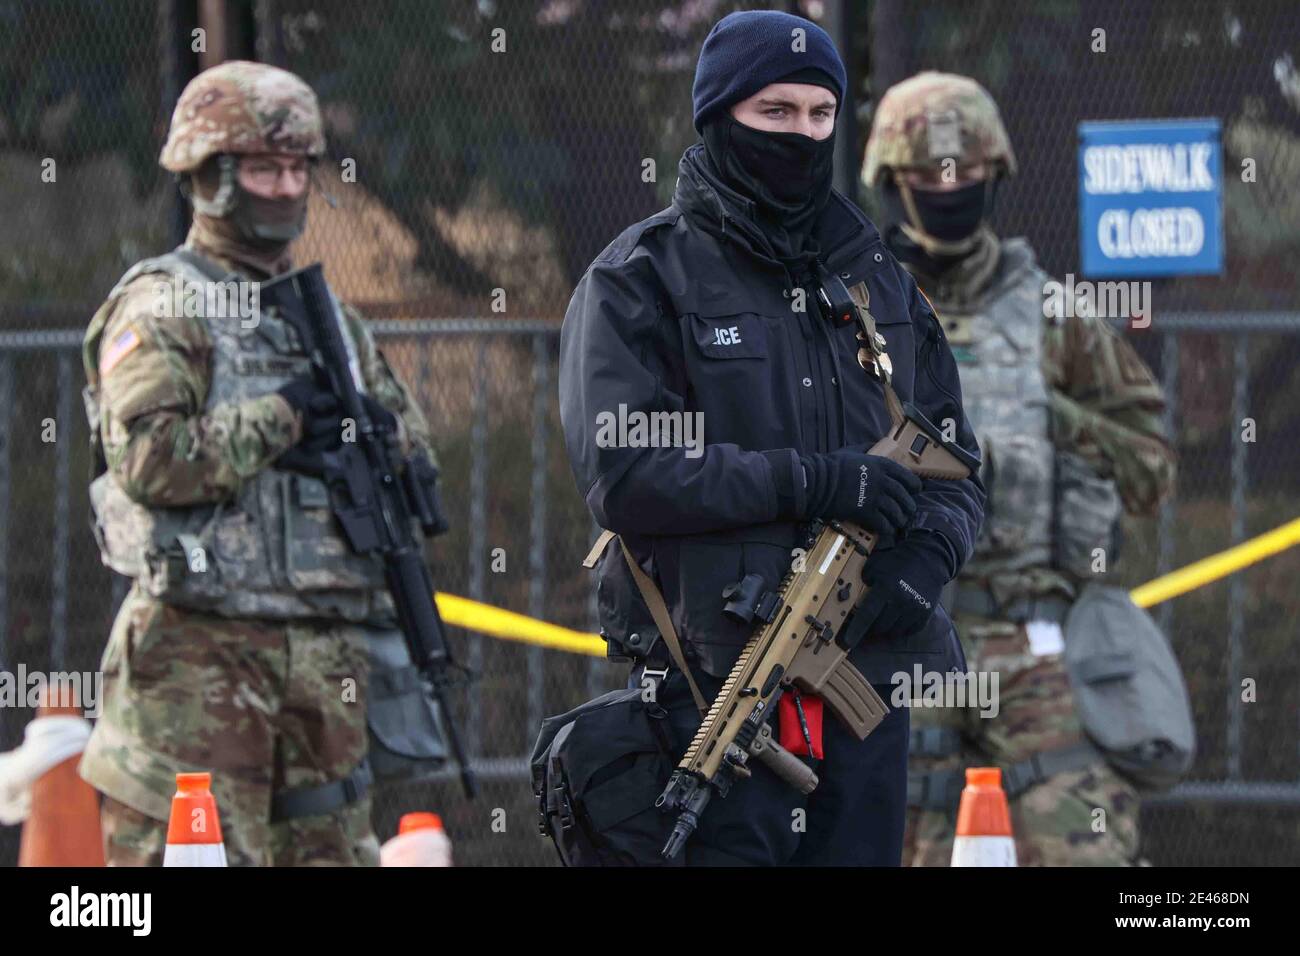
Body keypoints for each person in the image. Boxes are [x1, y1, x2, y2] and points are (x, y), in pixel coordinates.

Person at [559, 12, 984, 865]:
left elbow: (957, 462)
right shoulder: (640, 277)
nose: (802, 135)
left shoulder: (876, 277)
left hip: (865, 680)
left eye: (820, 114)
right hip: (705, 684)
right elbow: (628, 469)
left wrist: (928, 555)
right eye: (775, 113)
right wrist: (813, 482)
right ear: (720, 118)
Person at [79, 60, 443, 866]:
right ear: (209, 175)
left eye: (294, 168)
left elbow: (410, 451)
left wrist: (374, 438)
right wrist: (282, 418)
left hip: (323, 667)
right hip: (196, 663)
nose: (283, 187)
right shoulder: (163, 304)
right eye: (261, 167)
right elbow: (147, 459)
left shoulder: (335, 322)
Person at [862, 71, 1177, 865]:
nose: (948, 188)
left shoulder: (1054, 314)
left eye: (965, 172)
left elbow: (1151, 468)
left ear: (994, 174)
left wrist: (1048, 413)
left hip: (1033, 636)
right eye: (928, 175)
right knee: (894, 837)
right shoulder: (852, 310)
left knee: (1087, 844)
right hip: (898, 626)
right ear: (892, 182)